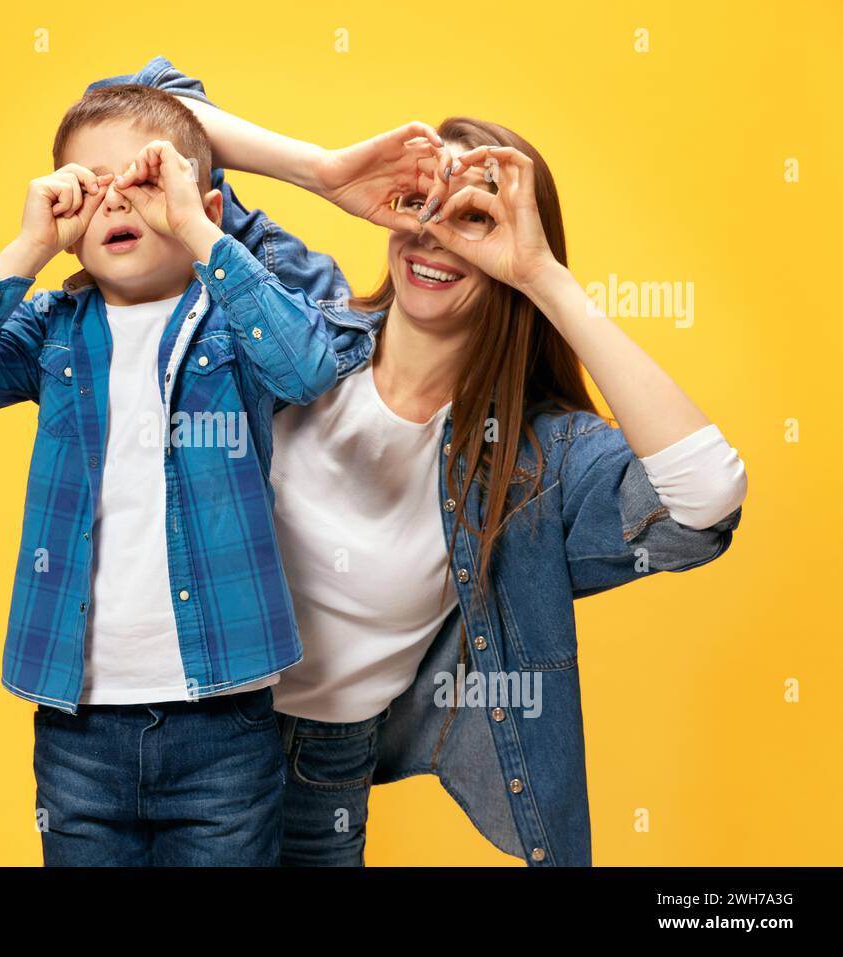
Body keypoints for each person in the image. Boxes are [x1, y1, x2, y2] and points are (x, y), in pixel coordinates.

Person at [90, 57, 747, 866]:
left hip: (316, 773)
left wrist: (544, 277)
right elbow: (135, 118)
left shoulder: (534, 462)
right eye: (419, 205)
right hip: (168, 728)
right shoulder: (293, 313)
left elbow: (705, 501)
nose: (433, 234)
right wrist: (326, 173)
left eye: (473, 221)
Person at [0, 83, 337, 865]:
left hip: (223, 720)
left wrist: (202, 235)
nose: (115, 201)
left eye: (143, 180)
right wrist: (24, 251)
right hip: (78, 730)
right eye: (88, 187)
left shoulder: (235, 323)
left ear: (206, 206)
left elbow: (306, 369)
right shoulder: (51, 331)